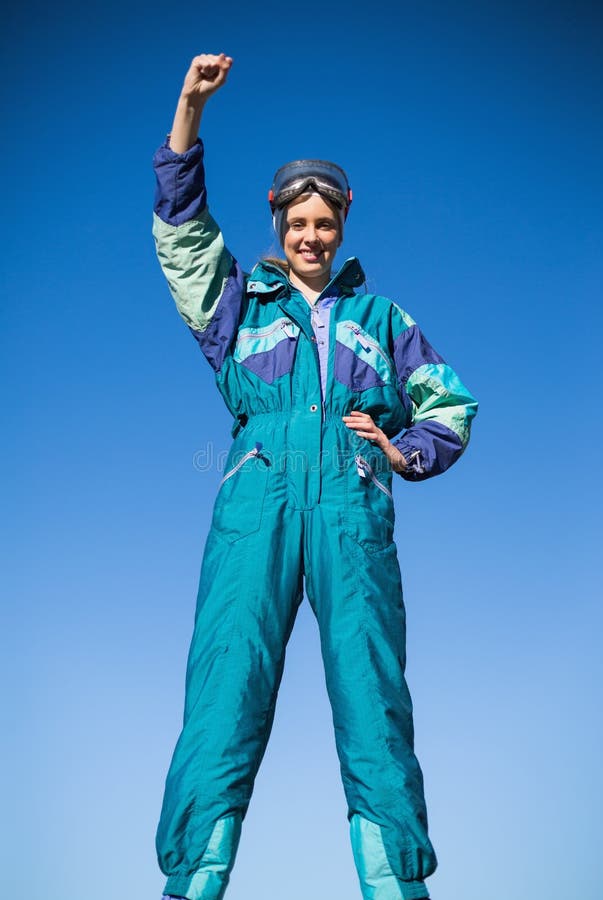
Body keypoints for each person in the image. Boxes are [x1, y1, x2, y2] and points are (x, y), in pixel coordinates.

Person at [153, 53, 478, 900]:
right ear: (277, 222)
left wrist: (405, 454)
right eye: (297, 223)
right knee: (223, 697)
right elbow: (181, 224)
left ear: (342, 224)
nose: (310, 237)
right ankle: (192, 882)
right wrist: (190, 108)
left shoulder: (382, 318)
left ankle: (396, 887)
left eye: (324, 224)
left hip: (353, 513)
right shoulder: (236, 306)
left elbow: (450, 403)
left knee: (374, 705)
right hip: (255, 508)